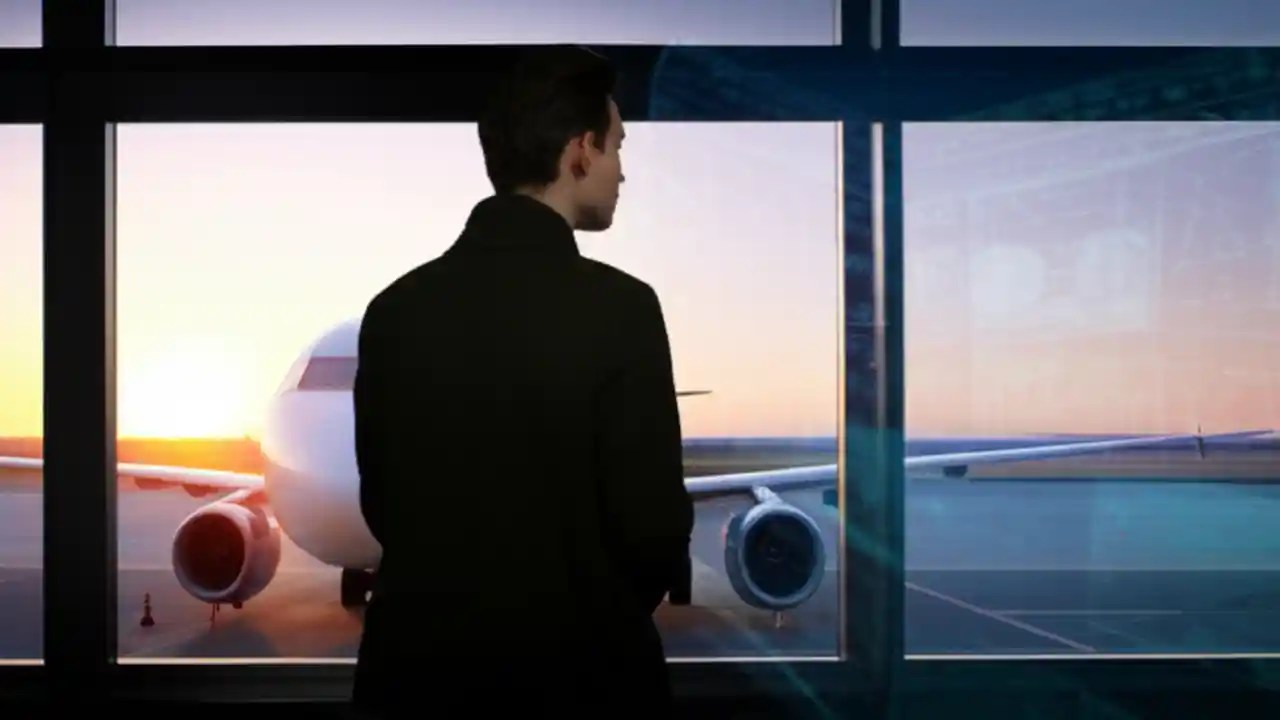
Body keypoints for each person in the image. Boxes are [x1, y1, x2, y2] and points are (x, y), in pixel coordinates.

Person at [349, 45, 694, 718]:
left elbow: (384, 510)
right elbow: (654, 536)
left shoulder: (393, 312)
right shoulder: (621, 310)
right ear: (579, 152)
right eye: (617, 146)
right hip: (582, 679)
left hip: (416, 683)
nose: (623, 172)